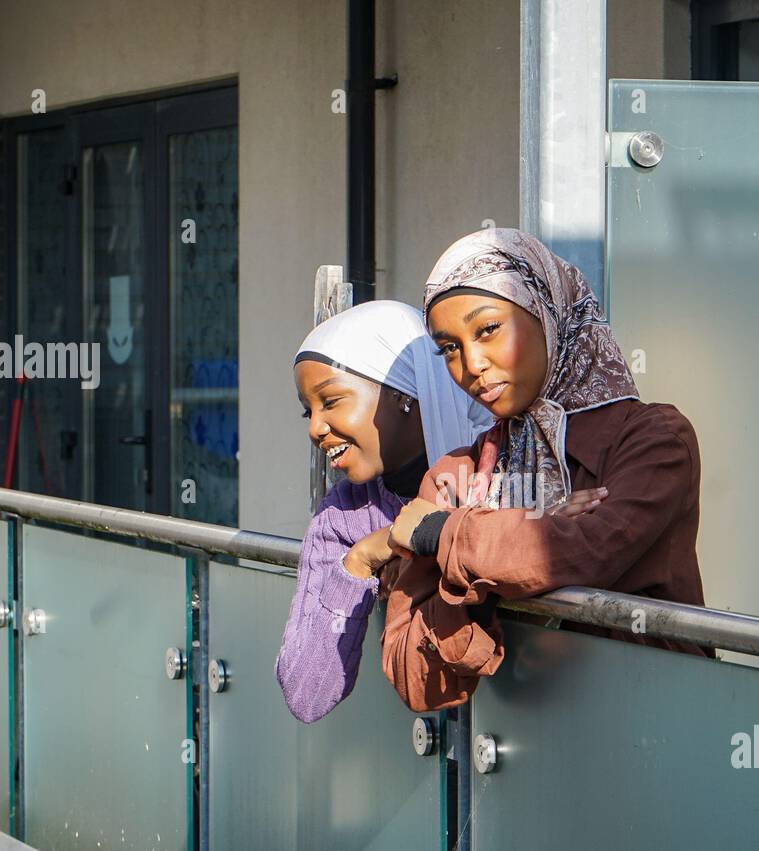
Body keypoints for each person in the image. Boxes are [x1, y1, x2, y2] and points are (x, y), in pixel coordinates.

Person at [381, 228, 711, 714]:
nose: (471, 363)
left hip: (658, 734)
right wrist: (486, 579)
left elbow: (579, 554)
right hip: (519, 757)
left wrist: (446, 537)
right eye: (449, 348)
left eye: (488, 329)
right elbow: (413, 677)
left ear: (547, 313)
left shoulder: (654, 442)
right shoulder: (460, 474)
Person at [275, 300, 494, 724]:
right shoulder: (343, 515)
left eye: (331, 401)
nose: (314, 427)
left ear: (402, 394)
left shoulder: (497, 476)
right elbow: (306, 693)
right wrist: (359, 560)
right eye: (309, 409)